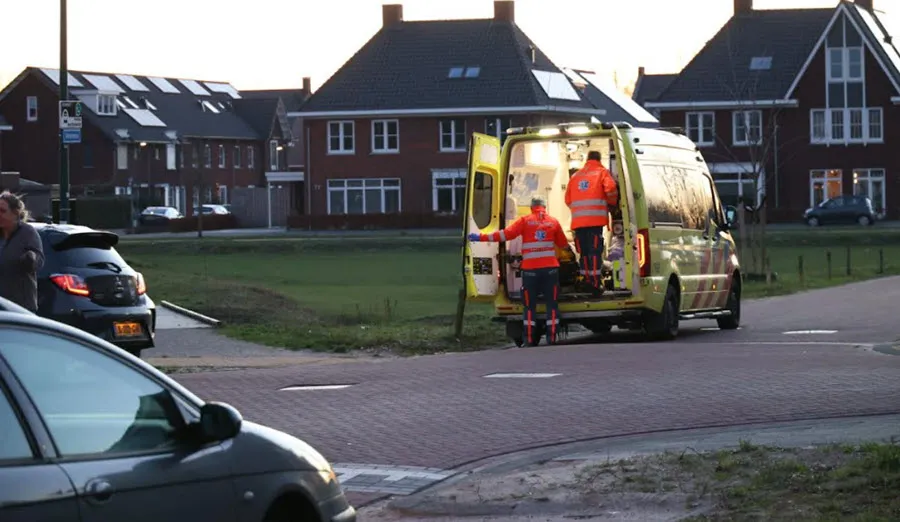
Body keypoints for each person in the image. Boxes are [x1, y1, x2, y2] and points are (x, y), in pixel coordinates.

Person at [468, 197, 572, 345]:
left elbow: (505, 235)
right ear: (544, 207)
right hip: (550, 270)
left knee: (529, 306)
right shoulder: (553, 222)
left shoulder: (525, 221)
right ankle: (552, 337)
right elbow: (563, 244)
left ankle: (529, 338)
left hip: (530, 271)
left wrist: (481, 237)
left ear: (532, 207)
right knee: (552, 304)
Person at [565, 150, 619, 293]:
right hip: (595, 223)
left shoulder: (575, 176)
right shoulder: (602, 173)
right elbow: (611, 189)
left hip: (578, 224)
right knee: (594, 253)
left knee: (583, 253)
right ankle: (595, 283)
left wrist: (579, 212)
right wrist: (611, 204)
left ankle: (585, 281)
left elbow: (568, 200)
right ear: (599, 159)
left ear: (587, 159)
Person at [0, 192, 45, 312]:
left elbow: (39, 260)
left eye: (2, 211)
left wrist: (30, 258)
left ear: (15, 213)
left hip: (21, 308)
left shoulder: (27, 233)